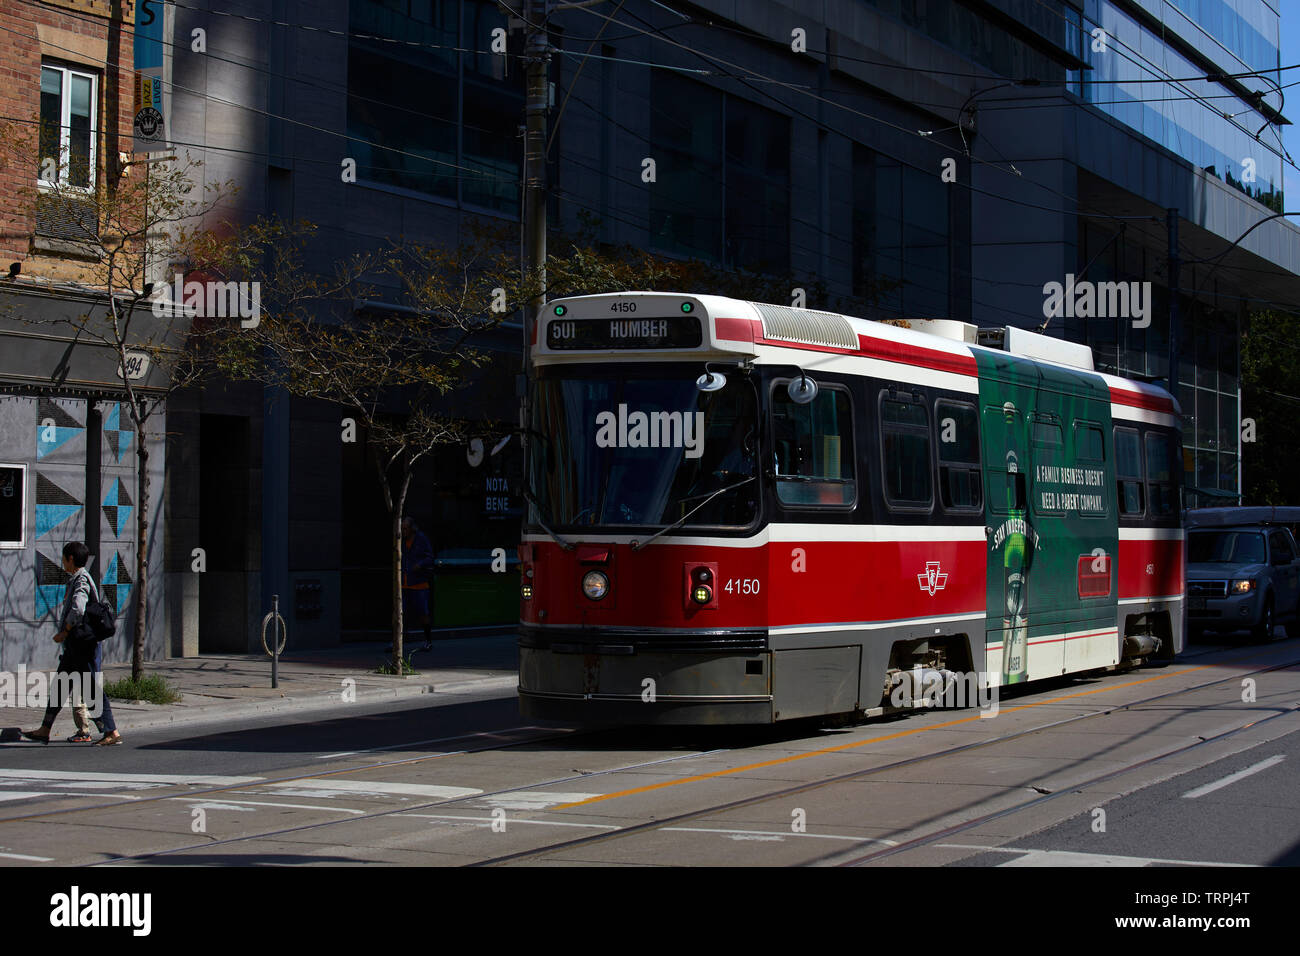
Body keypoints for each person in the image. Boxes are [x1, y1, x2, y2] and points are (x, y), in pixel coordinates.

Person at [22, 542, 122, 746]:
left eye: (64, 558)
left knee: (90, 689)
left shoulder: (82, 580)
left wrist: (64, 631)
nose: (62, 562)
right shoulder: (77, 579)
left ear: (70, 559)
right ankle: (45, 729)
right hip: (75, 647)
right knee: (60, 686)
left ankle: (111, 731)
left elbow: (78, 608)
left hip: (83, 646)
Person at [400, 517, 435, 650]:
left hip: (419, 583)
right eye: (402, 528)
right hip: (403, 582)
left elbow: (430, 557)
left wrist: (419, 565)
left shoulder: (421, 539)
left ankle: (428, 640)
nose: (403, 531)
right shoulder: (401, 540)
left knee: (423, 613)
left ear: (412, 529)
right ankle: (397, 641)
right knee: (399, 613)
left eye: (405, 528)